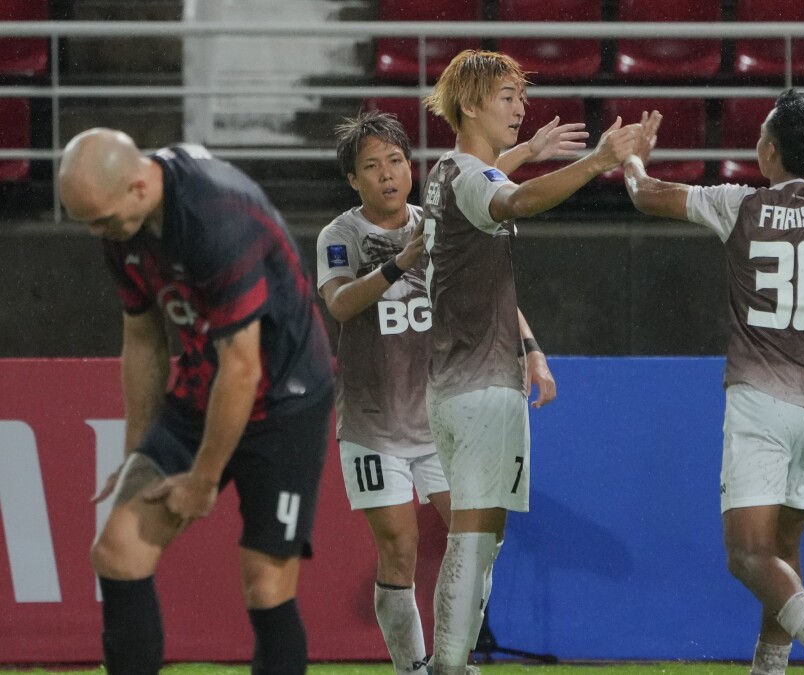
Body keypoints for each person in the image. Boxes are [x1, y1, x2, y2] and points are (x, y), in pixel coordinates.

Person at [621, 90, 804, 675]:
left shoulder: (737, 204)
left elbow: (643, 195)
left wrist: (633, 156)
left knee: (747, 555)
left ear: (769, 149)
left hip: (760, 402)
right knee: (782, 554)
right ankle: (768, 670)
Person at [316, 108, 584, 674]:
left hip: (441, 417)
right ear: (353, 179)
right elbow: (339, 304)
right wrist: (396, 267)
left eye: (395, 161)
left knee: (482, 539)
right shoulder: (340, 236)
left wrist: (531, 351)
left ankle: (451, 659)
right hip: (374, 423)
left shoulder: (436, 217)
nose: (387, 174)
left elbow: (490, 295)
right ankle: (413, 668)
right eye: (372, 166)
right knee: (399, 550)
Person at [58, 128, 334, 675]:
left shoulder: (216, 216)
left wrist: (203, 481)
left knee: (265, 582)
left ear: (139, 185)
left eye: (102, 219)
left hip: (284, 400)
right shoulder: (123, 223)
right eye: (87, 221)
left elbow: (243, 366)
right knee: (117, 552)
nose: (98, 233)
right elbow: (143, 340)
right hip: (202, 390)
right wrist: (139, 449)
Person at [418, 49, 641, 675]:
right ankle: (450, 665)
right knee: (475, 533)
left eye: (522, 94)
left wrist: (528, 153)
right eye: (507, 95)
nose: (520, 106)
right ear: (469, 104)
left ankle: (452, 661)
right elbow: (509, 201)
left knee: (483, 536)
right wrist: (596, 161)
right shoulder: (472, 180)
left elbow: (490, 180)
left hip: (453, 383)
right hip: (481, 382)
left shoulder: (442, 174)